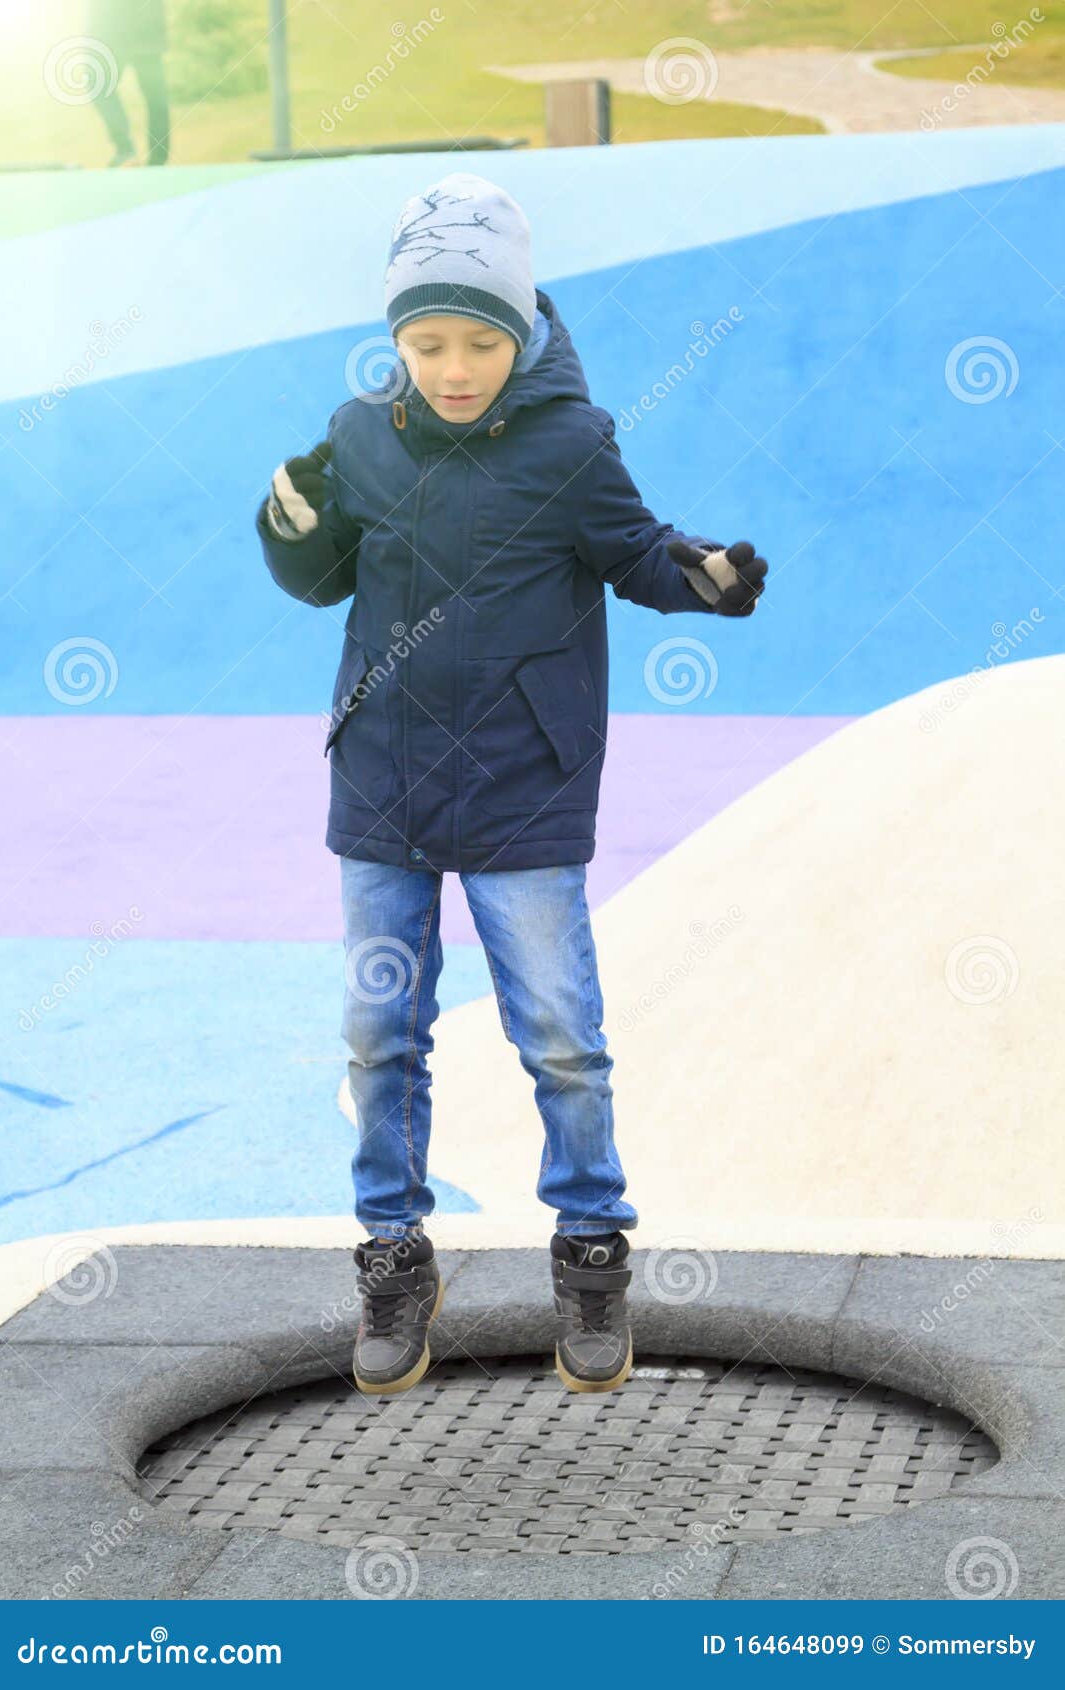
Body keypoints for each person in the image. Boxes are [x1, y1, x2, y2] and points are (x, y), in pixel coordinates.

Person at [255, 172, 767, 1397]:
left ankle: (589, 1250)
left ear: (521, 329)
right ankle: (392, 1252)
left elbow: (632, 549)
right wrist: (286, 525)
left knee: (559, 1036)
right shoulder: (360, 435)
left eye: (479, 339)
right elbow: (319, 577)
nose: (453, 365)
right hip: (383, 786)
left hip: (522, 789)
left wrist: (702, 574)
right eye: (425, 342)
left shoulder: (570, 442)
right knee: (381, 1034)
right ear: (395, 343)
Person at [87, 0, 170, 167]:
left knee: (100, 85)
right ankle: (150, 157)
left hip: (118, 30)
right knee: (155, 97)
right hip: (136, 31)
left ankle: (128, 152)